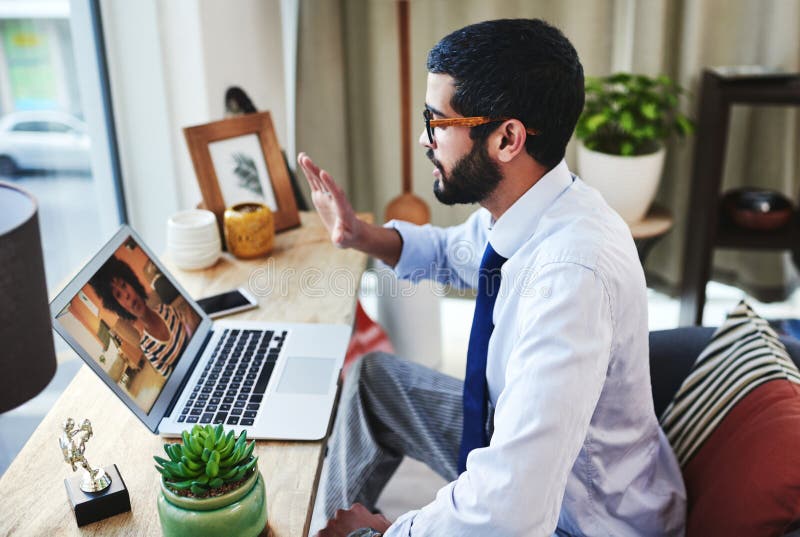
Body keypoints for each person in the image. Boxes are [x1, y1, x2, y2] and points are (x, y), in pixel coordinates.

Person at [299, 18, 686, 537]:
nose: (423, 139)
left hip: (583, 521)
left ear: (507, 138)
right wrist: (360, 236)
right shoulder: (530, 206)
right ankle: (333, 528)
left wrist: (392, 533)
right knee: (373, 382)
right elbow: (452, 252)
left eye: (437, 122)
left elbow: (509, 510)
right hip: (533, 463)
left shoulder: (573, 278)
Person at [89, 256, 194, 377]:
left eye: (123, 285)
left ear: (133, 283)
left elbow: (190, 330)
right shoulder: (147, 346)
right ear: (119, 307)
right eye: (118, 295)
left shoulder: (166, 309)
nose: (126, 295)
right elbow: (172, 378)